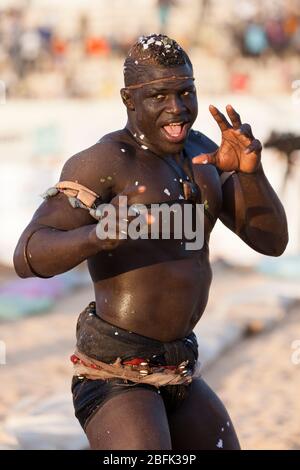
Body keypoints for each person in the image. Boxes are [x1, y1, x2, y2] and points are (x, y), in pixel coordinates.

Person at [13, 34, 288, 450]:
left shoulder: (203, 155)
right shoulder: (107, 162)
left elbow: (271, 243)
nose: (177, 108)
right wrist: (95, 235)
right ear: (129, 100)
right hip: (115, 374)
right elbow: (27, 253)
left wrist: (250, 174)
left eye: (185, 92)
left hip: (181, 368)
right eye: (159, 95)